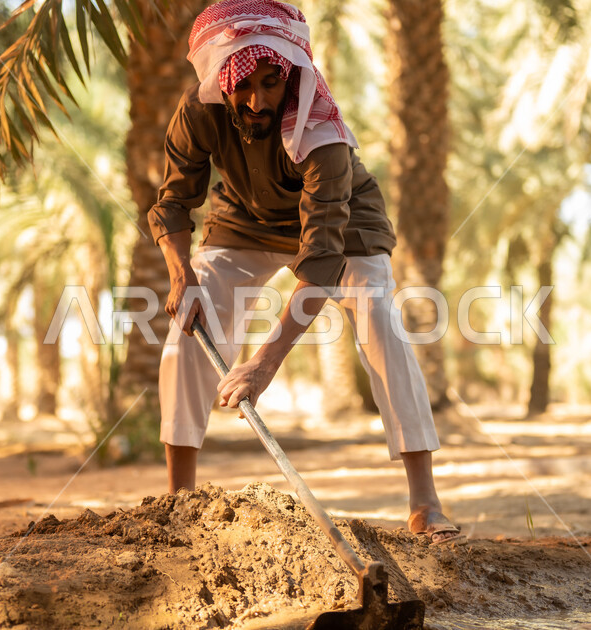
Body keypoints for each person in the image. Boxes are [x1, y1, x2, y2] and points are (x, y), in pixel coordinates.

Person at [149, 0, 462, 544]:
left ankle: (425, 503)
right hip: (244, 218)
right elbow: (174, 203)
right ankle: (179, 501)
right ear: (221, 78)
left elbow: (319, 258)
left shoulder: (325, 137)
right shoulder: (198, 112)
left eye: (272, 83)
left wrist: (264, 362)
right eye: (244, 85)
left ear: (291, 73)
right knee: (187, 329)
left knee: (378, 320)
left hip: (344, 222)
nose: (258, 99)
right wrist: (182, 276)